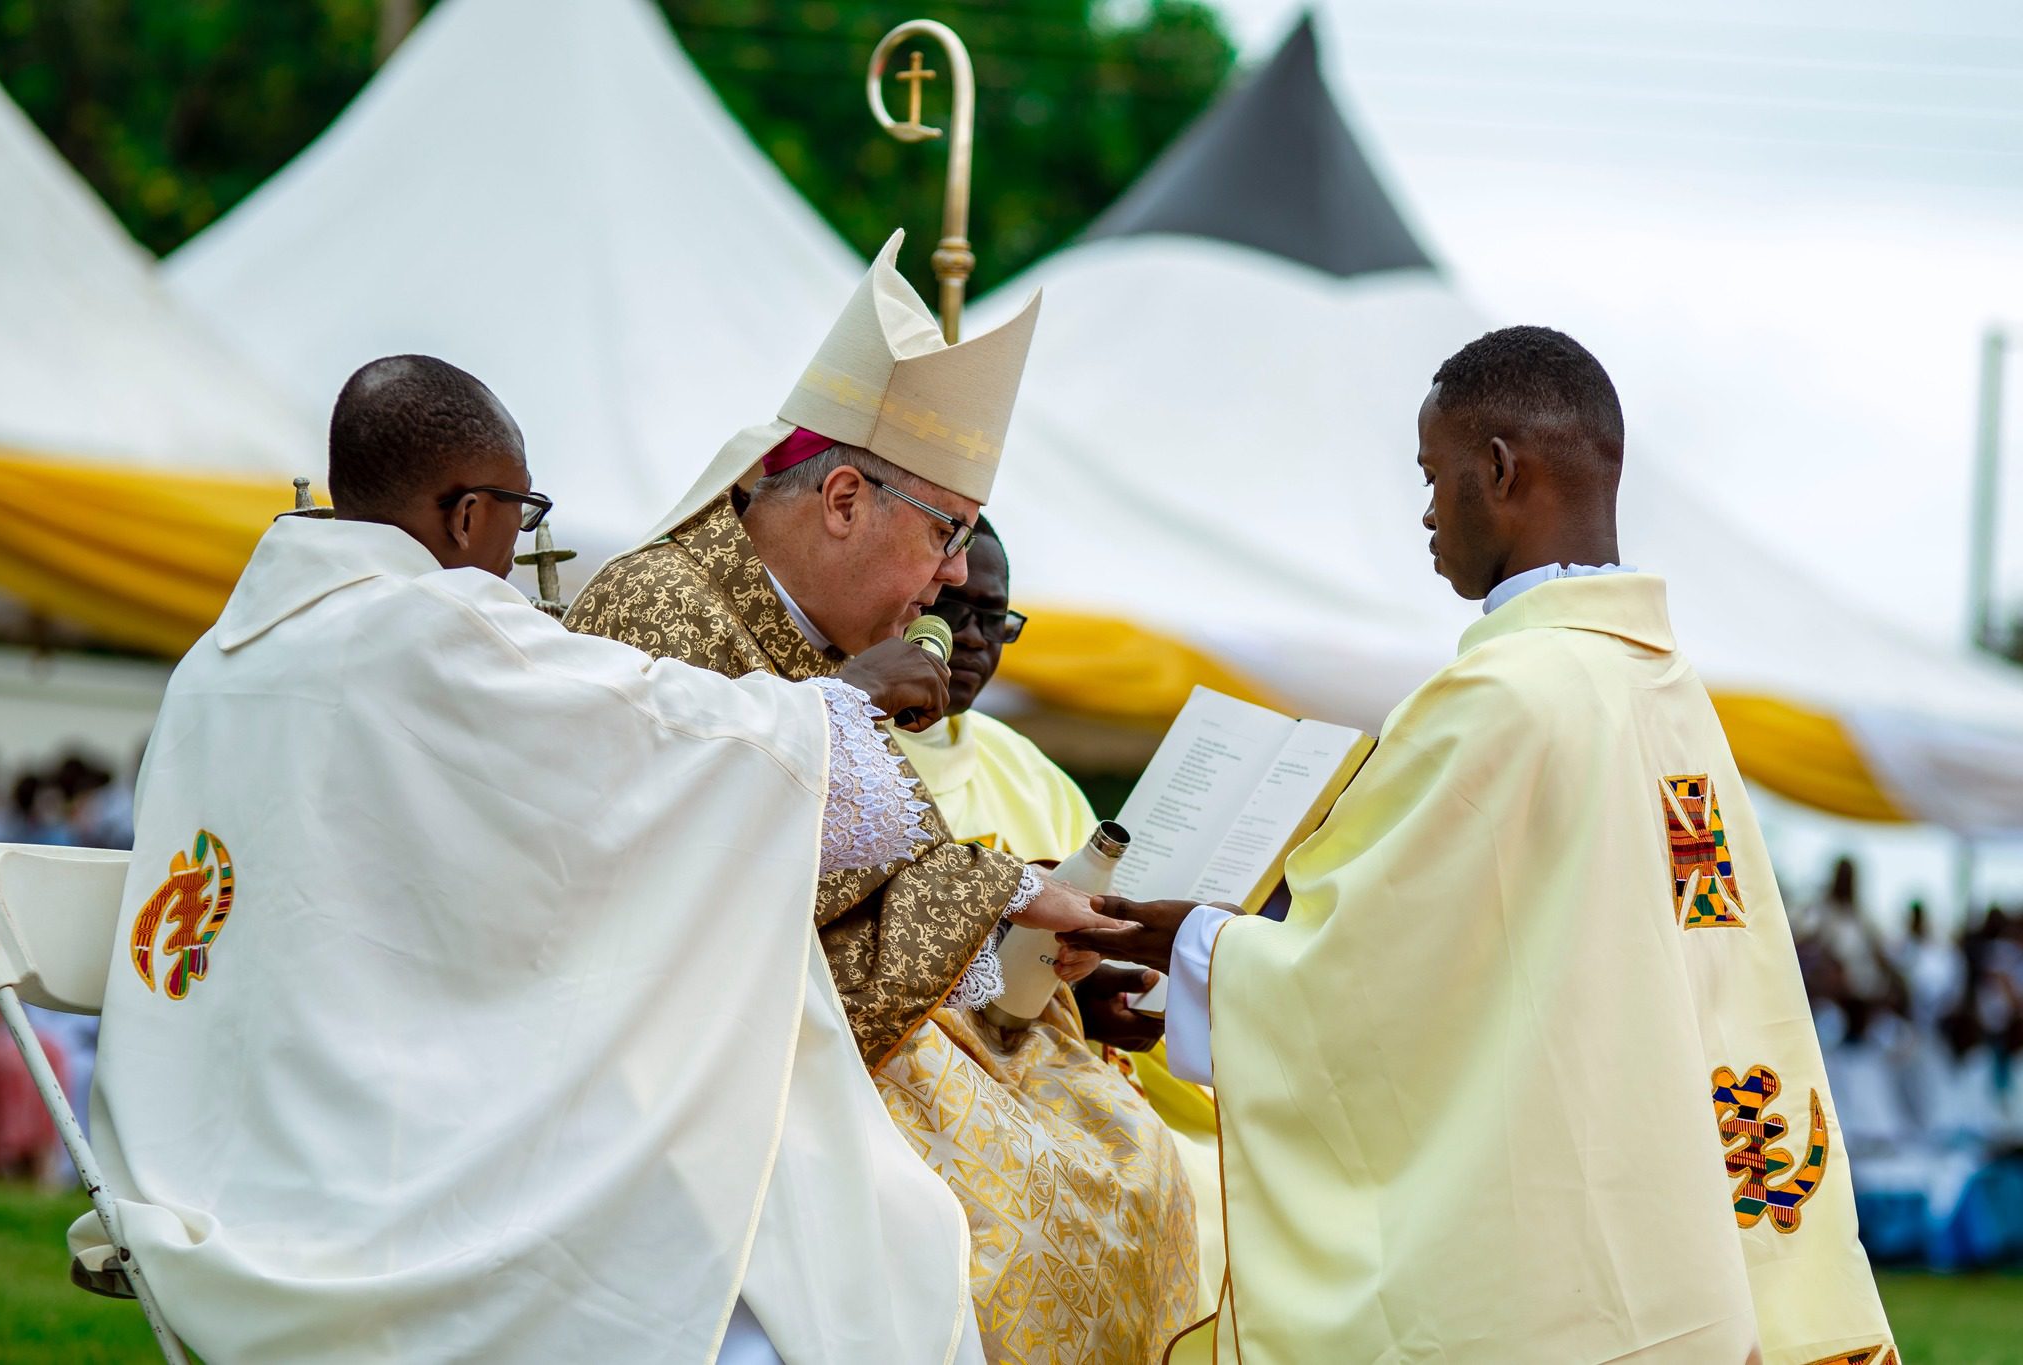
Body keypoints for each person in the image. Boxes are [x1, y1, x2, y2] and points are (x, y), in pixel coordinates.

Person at [83, 355, 992, 1364]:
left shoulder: (215, 668)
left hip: (217, 1153)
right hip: (392, 1164)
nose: (521, 547)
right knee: (803, 1245)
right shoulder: (430, 628)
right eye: (522, 509)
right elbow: (646, 731)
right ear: (469, 510)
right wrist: (835, 703)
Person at [1069, 327, 1897, 1363]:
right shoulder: (1667, 693)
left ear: (1497, 469)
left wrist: (1194, 951)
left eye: (1433, 474)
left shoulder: (1503, 698)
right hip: (1688, 1217)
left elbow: (1361, 984)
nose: (1424, 510)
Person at [566, 235, 1190, 1362]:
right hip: (690, 1087)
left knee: (1122, 1162)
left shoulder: (830, 638)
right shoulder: (661, 611)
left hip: (811, 1046)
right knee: (993, 1233)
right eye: (946, 529)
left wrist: (1017, 915)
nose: (957, 575)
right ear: (843, 497)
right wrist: (848, 730)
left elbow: (858, 883)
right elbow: (697, 904)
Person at [890, 517, 1208, 1350]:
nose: (966, 638)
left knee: (1190, 1189)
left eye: (993, 619)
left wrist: (1111, 1002)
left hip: (1049, 1099)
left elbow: (1086, 964)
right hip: (904, 1113)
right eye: (948, 606)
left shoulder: (1030, 773)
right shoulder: (836, 741)